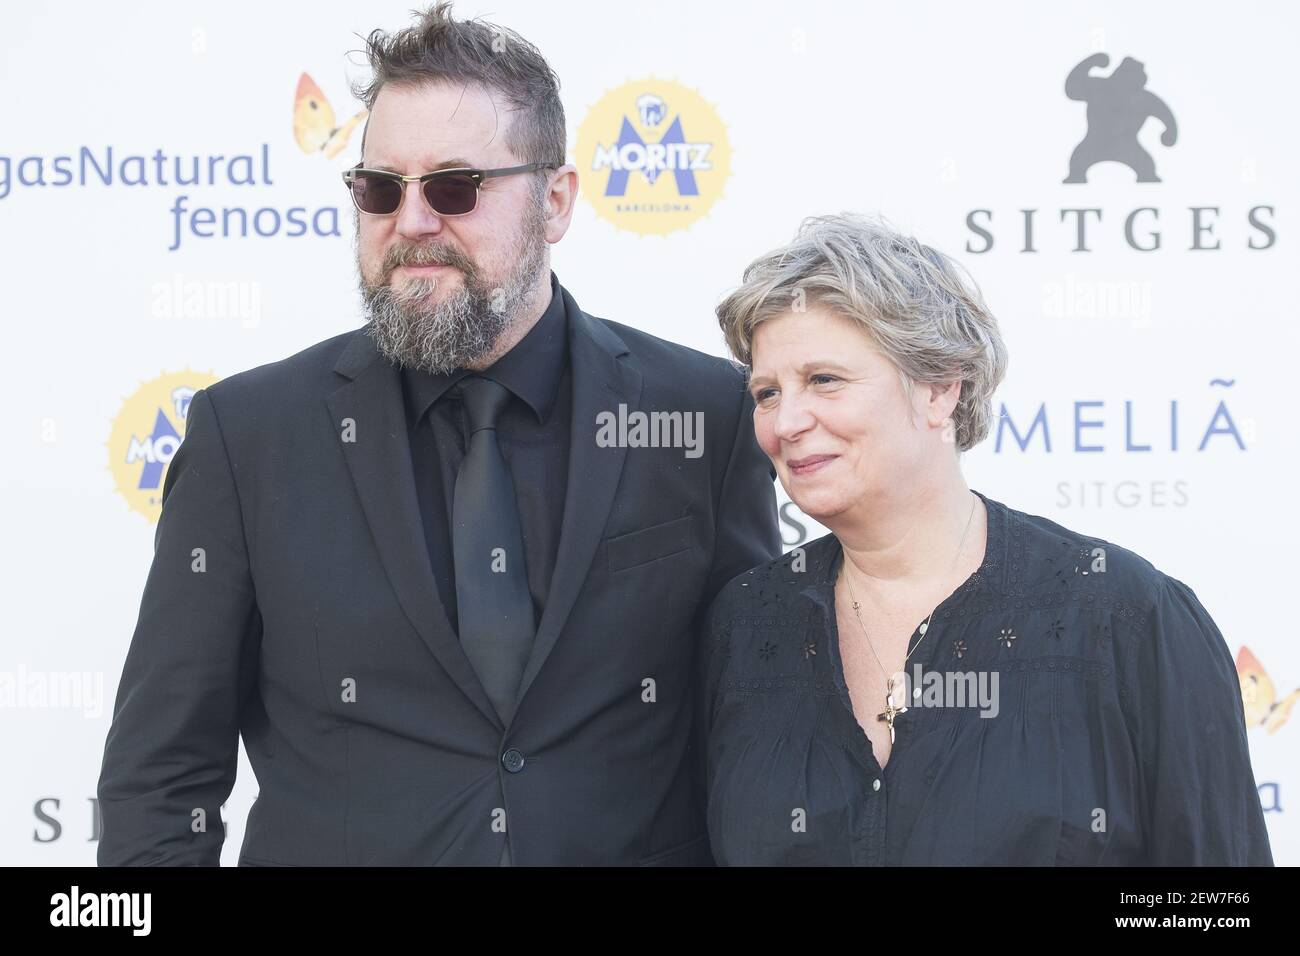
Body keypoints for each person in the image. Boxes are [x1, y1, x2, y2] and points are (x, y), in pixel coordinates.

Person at [96, 2, 780, 866]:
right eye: (380, 188)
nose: (411, 221)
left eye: (455, 187)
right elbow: (159, 782)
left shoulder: (703, 414)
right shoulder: (249, 436)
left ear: (556, 200)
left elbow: (758, 726)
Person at [703, 212, 1273, 865]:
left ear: (940, 387)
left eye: (823, 380)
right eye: (767, 392)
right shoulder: (742, 627)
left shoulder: (1128, 619)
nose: (788, 420)